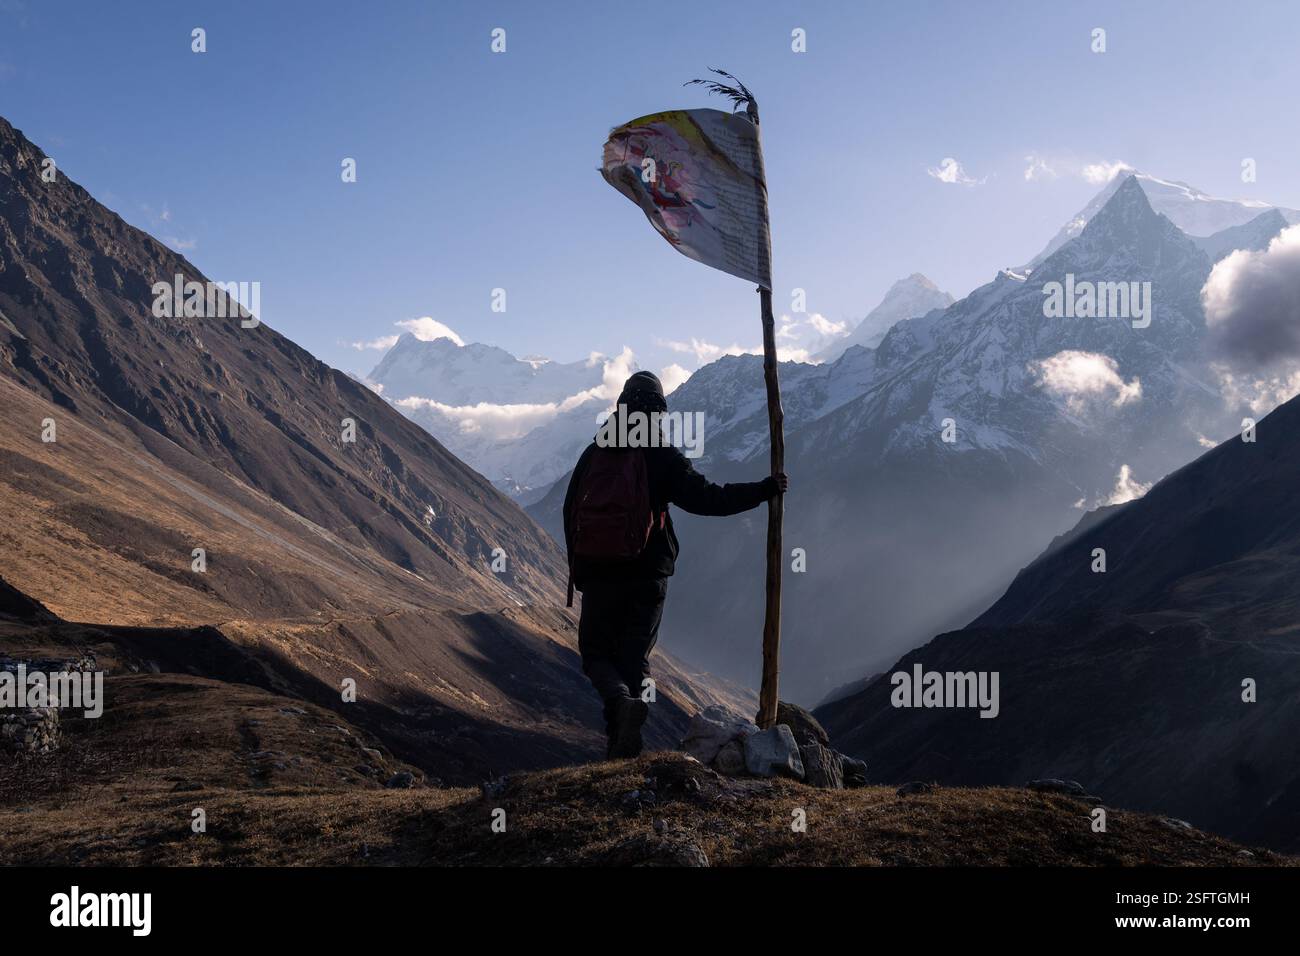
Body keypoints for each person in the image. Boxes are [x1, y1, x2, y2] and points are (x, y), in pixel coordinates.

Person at [563, 371, 788, 759]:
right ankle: (627, 725)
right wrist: (763, 491)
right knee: (634, 659)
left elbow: (572, 512)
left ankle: (618, 721)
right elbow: (707, 498)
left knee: (597, 655)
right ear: (658, 413)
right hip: (648, 574)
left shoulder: (595, 452)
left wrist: (581, 573)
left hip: (600, 575)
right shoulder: (659, 454)